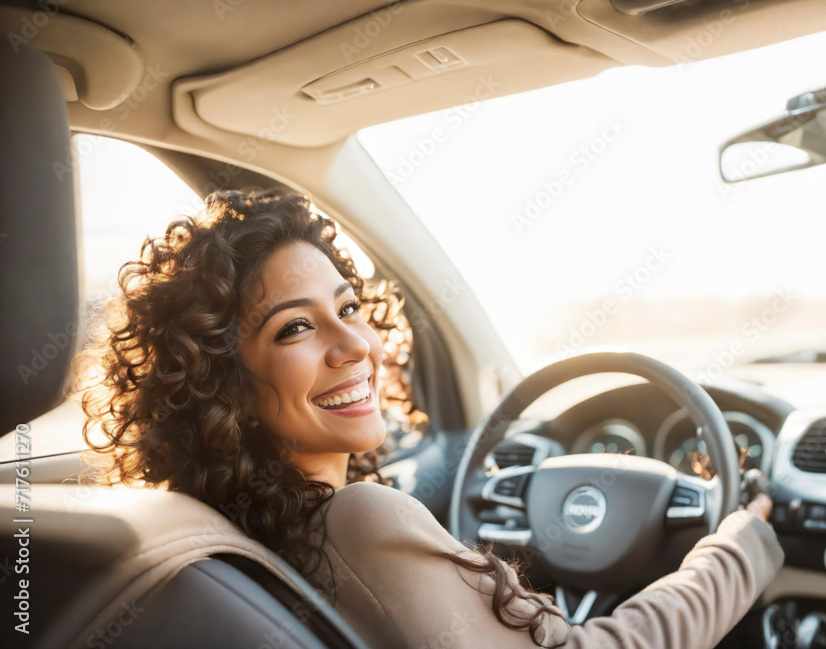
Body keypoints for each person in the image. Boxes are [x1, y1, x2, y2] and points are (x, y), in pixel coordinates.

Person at [77, 188, 784, 649]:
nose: (355, 345)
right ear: (223, 383)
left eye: (349, 309)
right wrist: (738, 548)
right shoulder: (356, 522)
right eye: (296, 329)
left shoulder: (215, 535)